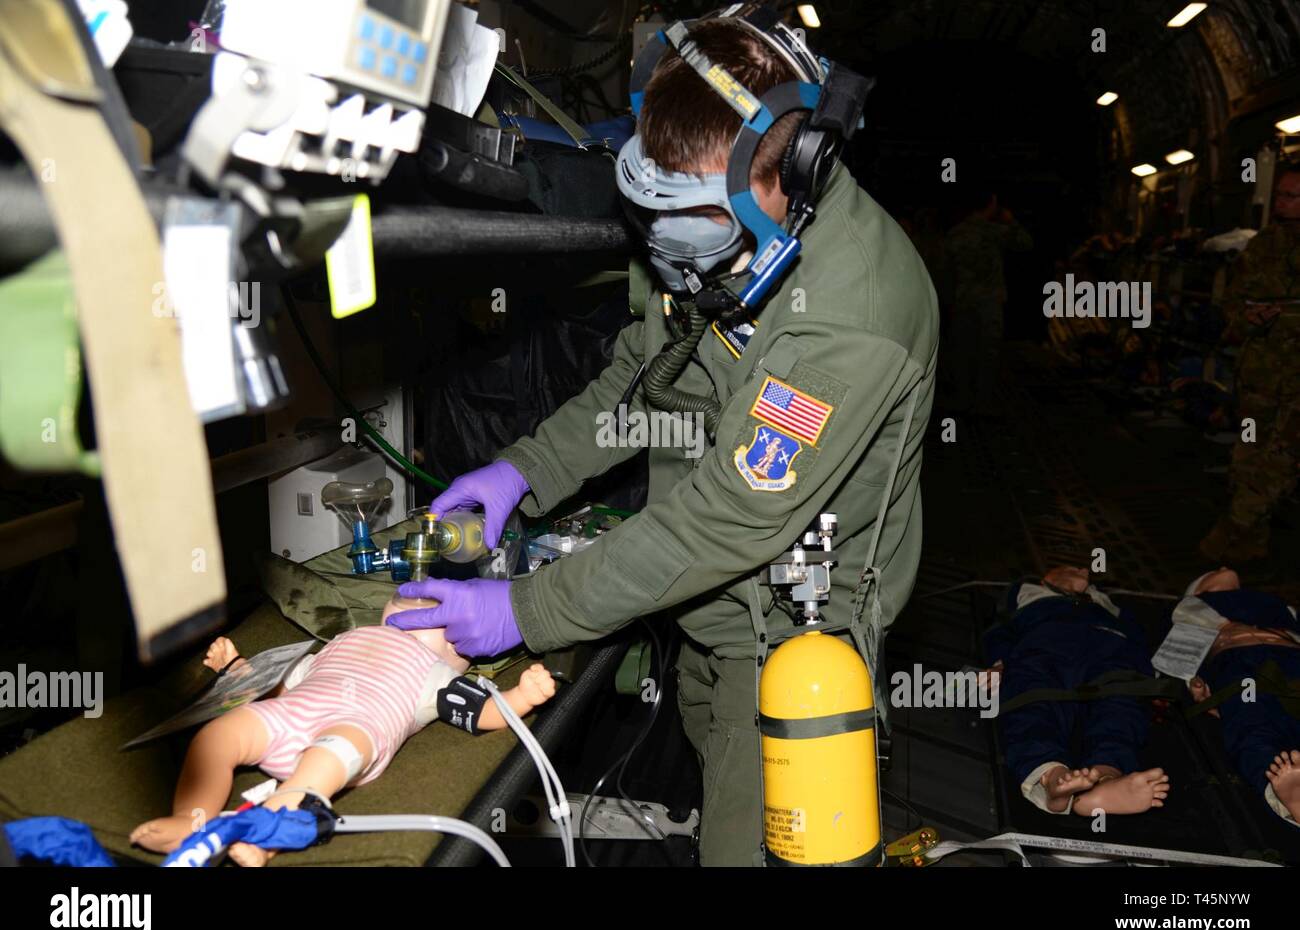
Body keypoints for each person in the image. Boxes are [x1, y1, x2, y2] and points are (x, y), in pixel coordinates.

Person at [387, 8, 938, 866]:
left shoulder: (849, 318)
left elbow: (725, 519)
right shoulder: (720, 249)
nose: (670, 249)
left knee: (746, 848)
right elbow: (640, 383)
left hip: (796, 641)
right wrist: (519, 473)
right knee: (703, 758)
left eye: (695, 221)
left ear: (793, 171)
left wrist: (524, 610)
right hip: (710, 606)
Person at [130, 591, 556, 865]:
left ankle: (271, 830)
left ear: (456, 650)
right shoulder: (342, 641)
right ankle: (192, 819)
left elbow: (486, 713)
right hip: (295, 710)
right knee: (218, 736)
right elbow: (280, 684)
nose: (422, 591)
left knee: (325, 759)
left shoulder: (435, 674)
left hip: (354, 730)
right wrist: (240, 670)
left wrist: (522, 696)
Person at [983, 566, 1170, 816]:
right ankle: (1051, 777)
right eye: (1073, 568)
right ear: (1047, 576)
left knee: (1121, 704)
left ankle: (1107, 778)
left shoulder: (1109, 604)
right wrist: (999, 662)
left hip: (1111, 648)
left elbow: (1139, 641)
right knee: (1031, 695)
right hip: (1046, 643)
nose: (1084, 569)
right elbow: (999, 630)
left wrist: (1153, 676)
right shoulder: (1026, 591)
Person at [1200, 167, 1300, 564]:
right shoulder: (1261, 248)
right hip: (1259, 377)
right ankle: (1250, 545)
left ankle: (1233, 531)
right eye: (1281, 194)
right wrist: (1248, 320)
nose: (1281, 202)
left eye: (1292, 196)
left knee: (1281, 461)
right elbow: (1231, 307)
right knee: (1247, 456)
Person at [1179, 568, 1300, 826]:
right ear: (1199, 592)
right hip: (1240, 664)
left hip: (1287, 659)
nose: (1224, 568)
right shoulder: (1189, 611)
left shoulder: (1277, 609)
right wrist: (1196, 690)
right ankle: (1287, 798)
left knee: (1252, 724)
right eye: (1213, 573)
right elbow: (1175, 660)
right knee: (1252, 726)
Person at [944, 188, 1032, 414]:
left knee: (963, 351)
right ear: (991, 204)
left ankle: (963, 399)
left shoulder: (955, 233)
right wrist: (1011, 222)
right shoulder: (995, 231)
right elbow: (1025, 243)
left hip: (962, 300)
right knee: (988, 353)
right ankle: (983, 402)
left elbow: (946, 271)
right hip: (989, 302)